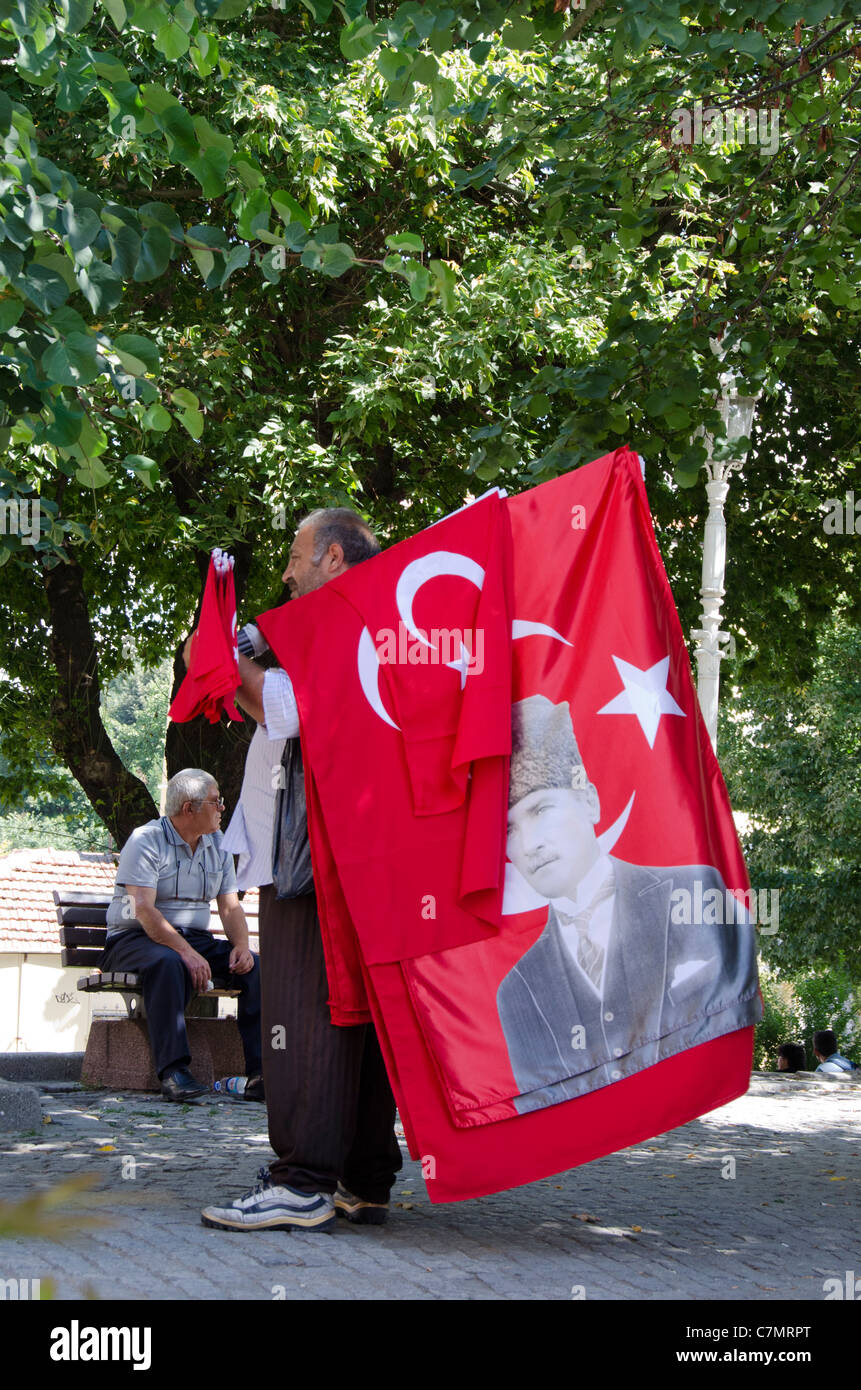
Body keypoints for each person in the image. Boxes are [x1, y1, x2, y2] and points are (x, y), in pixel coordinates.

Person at [201, 508, 403, 1234]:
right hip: (356, 854)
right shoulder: (386, 622)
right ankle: (362, 1176)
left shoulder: (352, 625)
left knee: (304, 1013)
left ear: (335, 560)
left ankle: (303, 1181)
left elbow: (287, 710)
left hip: (315, 858)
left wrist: (232, 657)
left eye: (295, 558)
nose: (285, 574)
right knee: (358, 1018)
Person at [497, 695, 761, 1114]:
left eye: (542, 809)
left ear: (589, 800)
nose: (530, 844)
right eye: (508, 828)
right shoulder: (516, 993)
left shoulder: (694, 895)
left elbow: (733, 1009)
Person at [101, 769, 262, 1102]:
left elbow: (231, 908)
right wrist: (186, 952)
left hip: (190, 939)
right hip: (133, 938)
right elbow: (143, 910)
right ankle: (174, 1073)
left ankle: (261, 1074)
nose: (222, 808)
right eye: (216, 802)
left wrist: (242, 947)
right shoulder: (145, 840)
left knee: (256, 968)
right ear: (189, 808)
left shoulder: (218, 843)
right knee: (169, 962)